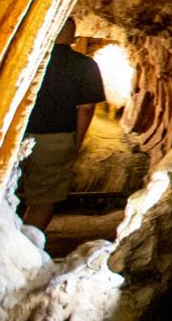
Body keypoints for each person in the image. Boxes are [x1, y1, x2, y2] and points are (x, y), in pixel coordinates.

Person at [15, 18, 105, 233]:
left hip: (16, 137)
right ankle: (26, 249)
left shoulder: (27, 59)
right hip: (56, 139)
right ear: (74, 38)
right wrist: (76, 141)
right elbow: (86, 109)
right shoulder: (85, 65)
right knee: (44, 199)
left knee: (5, 193)